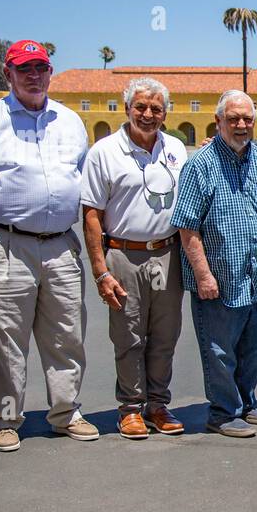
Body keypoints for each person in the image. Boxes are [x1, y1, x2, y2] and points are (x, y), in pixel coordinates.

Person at [0, 40, 95, 452]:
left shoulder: (70, 121)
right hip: (6, 243)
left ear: (50, 72)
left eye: (40, 67)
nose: (34, 75)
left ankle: (65, 411)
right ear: (8, 74)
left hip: (60, 245)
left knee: (67, 334)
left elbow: (84, 179)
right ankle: (4, 418)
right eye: (24, 69)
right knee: (7, 337)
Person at [81, 77, 187, 440]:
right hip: (124, 255)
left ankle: (157, 405)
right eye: (140, 107)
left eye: (156, 108)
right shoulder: (104, 151)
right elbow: (92, 214)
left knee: (165, 335)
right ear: (127, 108)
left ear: (165, 113)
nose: (148, 114)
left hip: (168, 253)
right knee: (128, 336)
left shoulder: (175, 148)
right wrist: (99, 270)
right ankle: (129, 408)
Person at [170, 91, 257, 439]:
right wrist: (203, 274)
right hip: (218, 278)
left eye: (247, 119)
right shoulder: (200, 164)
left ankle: (246, 402)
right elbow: (187, 226)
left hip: (254, 276)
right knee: (219, 351)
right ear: (218, 122)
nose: (241, 125)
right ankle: (221, 412)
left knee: (254, 347)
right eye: (233, 119)